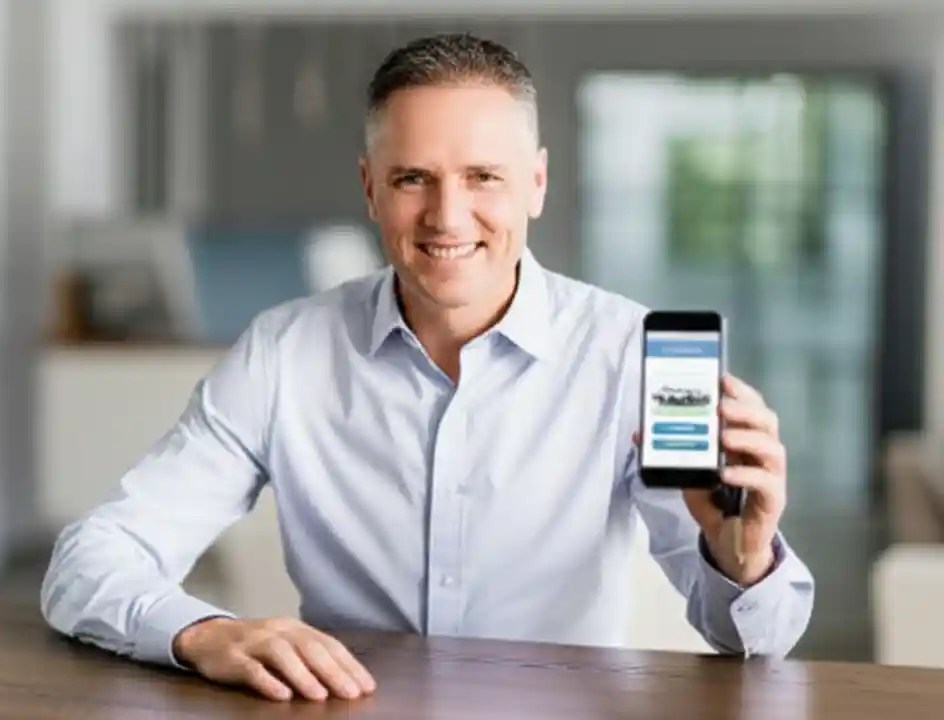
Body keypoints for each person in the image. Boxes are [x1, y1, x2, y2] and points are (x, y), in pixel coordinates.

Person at [41, 33, 814, 703]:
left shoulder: (630, 353)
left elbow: (758, 642)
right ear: (371, 188)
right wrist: (201, 632)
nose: (448, 217)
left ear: (536, 183)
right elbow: (87, 564)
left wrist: (742, 560)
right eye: (414, 178)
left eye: (484, 177)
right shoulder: (284, 352)